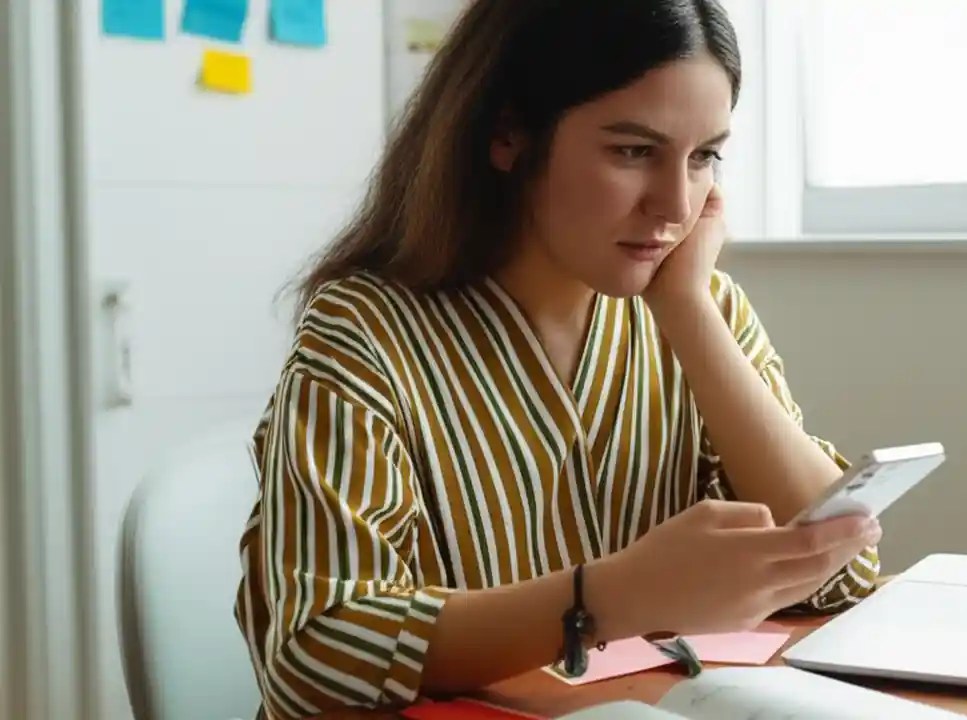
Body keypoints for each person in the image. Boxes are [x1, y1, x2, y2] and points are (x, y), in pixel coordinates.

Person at [234, 1, 882, 718]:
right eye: (633, 151)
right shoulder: (364, 329)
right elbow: (318, 659)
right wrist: (613, 597)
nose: (674, 205)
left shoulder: (701, 306)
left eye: (703, 157)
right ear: (509, 134)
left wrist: (688, 314)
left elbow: (838, 574)